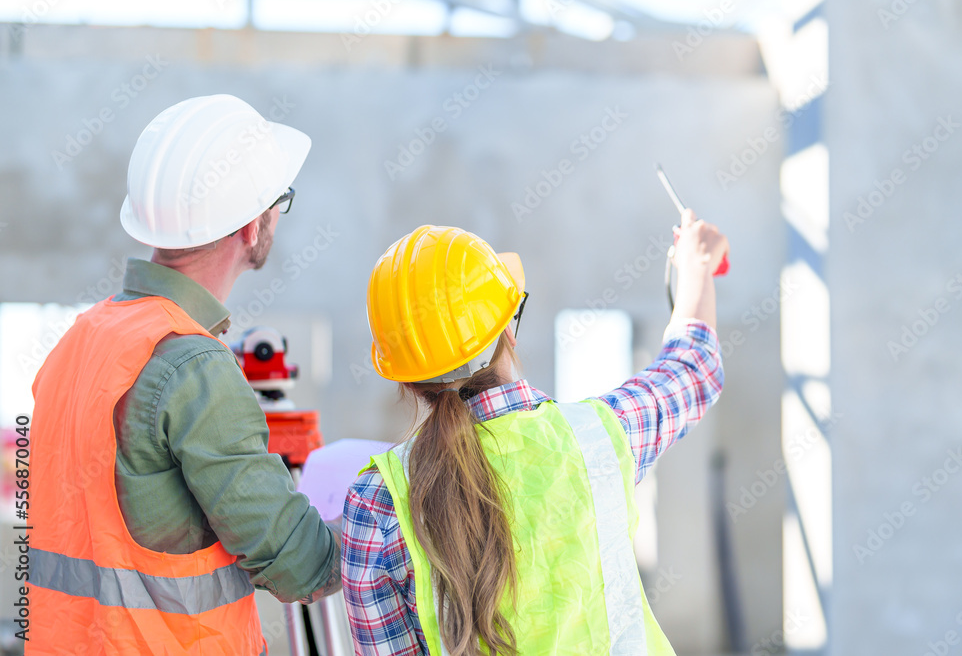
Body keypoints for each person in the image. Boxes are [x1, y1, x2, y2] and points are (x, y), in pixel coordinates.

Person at [28, 94, 341, 654]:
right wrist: (394, 516)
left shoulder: (81, 338)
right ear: (252, 226)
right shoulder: (193, 367)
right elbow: (301, 565)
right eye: (281, 201)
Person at [342, 216, 728, 655]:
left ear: (406, 379)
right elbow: (694, 369)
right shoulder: (597, 440)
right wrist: (696, 265)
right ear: (508, 328)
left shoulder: (375, 504)